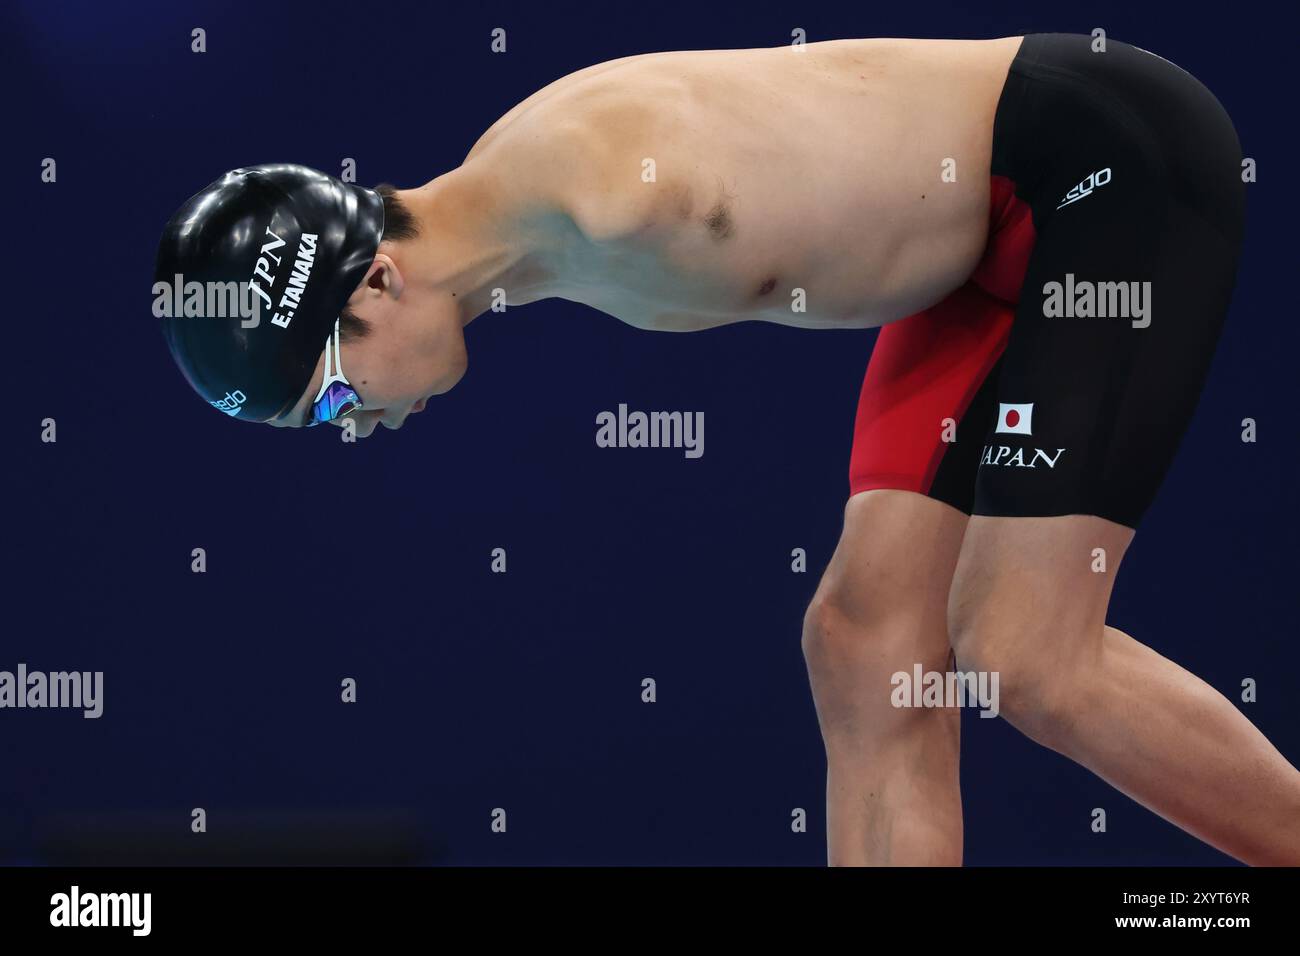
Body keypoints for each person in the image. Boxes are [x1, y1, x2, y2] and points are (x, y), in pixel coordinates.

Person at [155, 33, 1298, 864]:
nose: (348, 430)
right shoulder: (519, 226)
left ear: (378, 280)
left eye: (327, 398)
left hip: (1094, 176)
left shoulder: (604, 185)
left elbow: (847, 112)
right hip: (977, 259)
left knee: (1022, 652)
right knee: (859, 641)